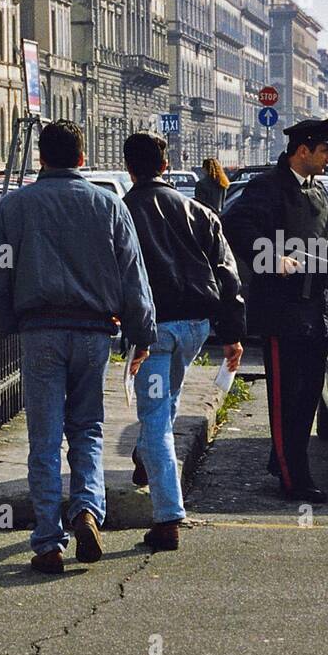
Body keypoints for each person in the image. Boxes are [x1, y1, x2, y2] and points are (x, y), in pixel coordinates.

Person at [0, 120, 156, 574]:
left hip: (41, 331)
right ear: (82, 158)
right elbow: (132, 273)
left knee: (44, 436)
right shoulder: (108, 205)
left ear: (41, 158)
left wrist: (7, 320)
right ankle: (86, 511)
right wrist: (141, 334)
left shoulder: (16, 207)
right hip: (94, 333)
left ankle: (48, 541)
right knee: (87, 427)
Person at [222, 115, 328, 504]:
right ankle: (292, 479)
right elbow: (236, 225)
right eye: (325, 149)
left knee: (308, 397)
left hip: (319, 308)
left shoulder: (319, 189)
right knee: (286, 399)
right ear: (304, 150)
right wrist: (273, 256)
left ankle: (284, 460)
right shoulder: (268, 188)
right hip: (284, 310)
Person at [122, 133, 246, 551]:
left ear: (128, 167)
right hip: (196, 325)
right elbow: (228, 274)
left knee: (155, 416)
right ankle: (145, 457)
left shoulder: (123, 212)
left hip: (153, 326)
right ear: (165, 164)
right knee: (167, 397)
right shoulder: (199, 211)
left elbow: (115, 271)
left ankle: (168, 516)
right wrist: (231, 333)